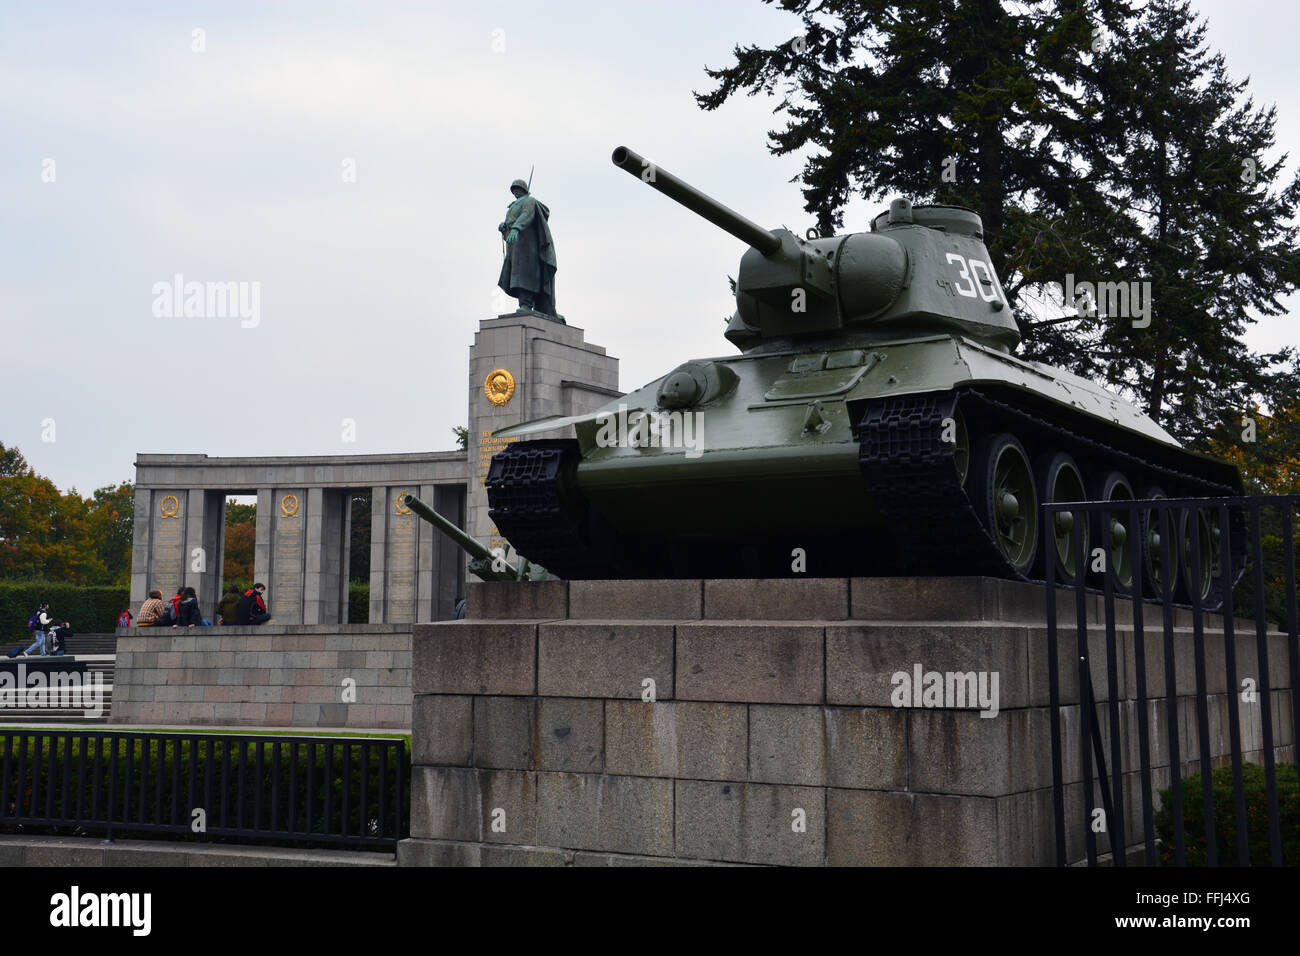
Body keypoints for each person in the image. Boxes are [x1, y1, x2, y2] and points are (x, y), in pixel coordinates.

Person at [497, 179, 559, 317]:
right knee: (516, 273)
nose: (515, 192)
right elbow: (512, 221)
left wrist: (516, 228)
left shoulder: (529, 201)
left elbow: (527, 215)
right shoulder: (513, 206)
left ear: (524, 189)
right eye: (514, 190)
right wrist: (505, 226)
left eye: (518, 189)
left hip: (526, 245)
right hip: (515, 246)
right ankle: (523, 304)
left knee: (524, 274)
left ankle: (526, 304)